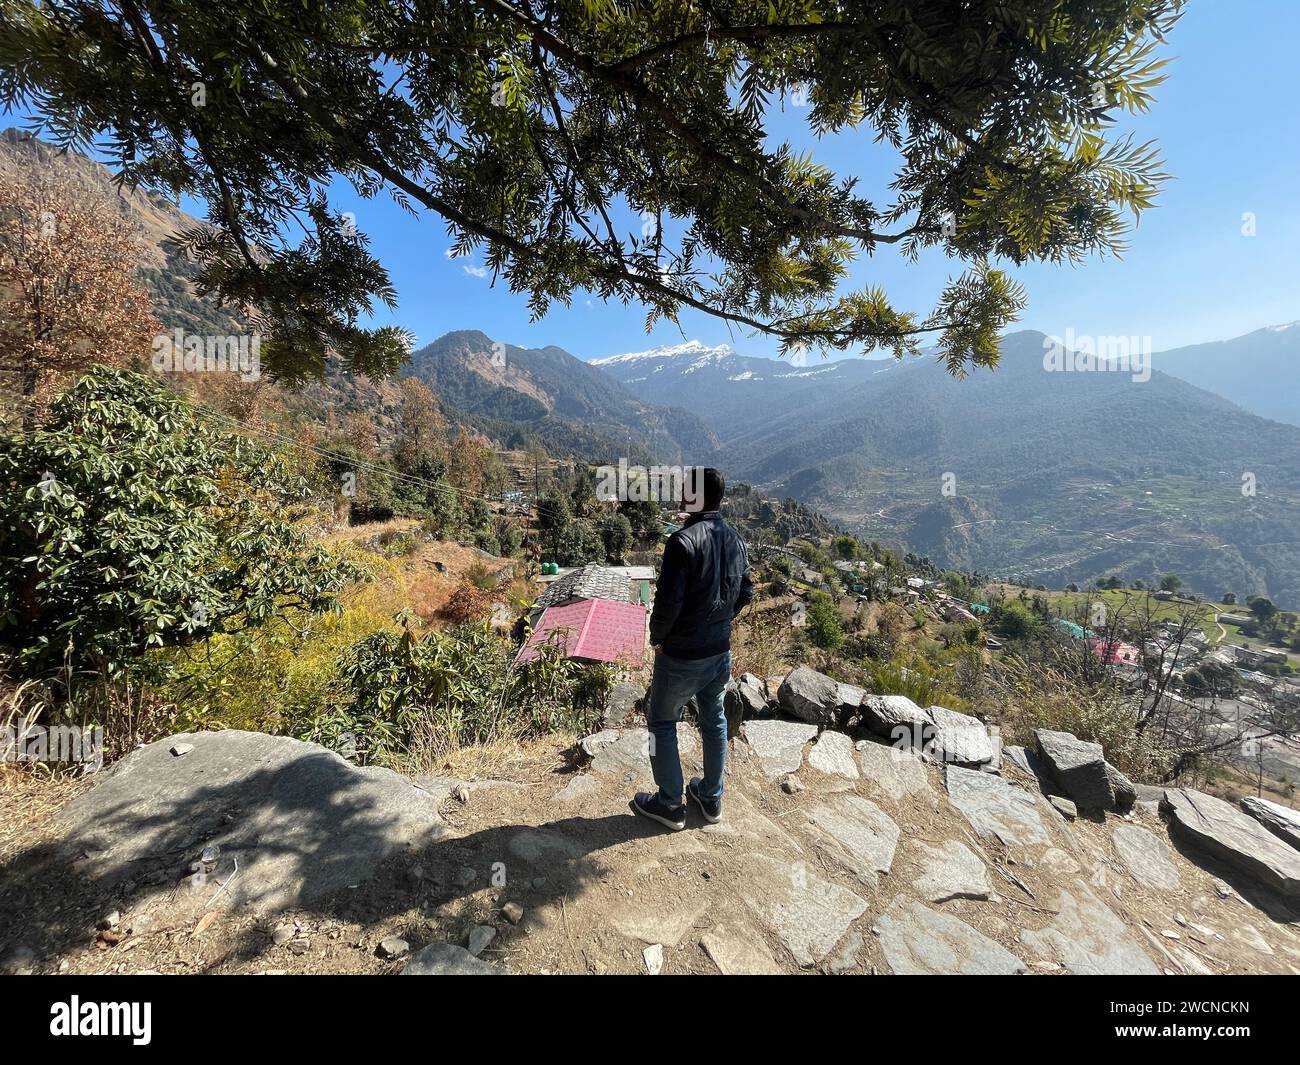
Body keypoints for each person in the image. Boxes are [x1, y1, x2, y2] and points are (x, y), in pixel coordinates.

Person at [631, 467, 752, 830]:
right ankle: (711, 797)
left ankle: (669, 803)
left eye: (686, 489)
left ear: (697, 496)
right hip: (720, 652)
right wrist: (720, 621)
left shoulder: (682, 543)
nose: (681, 493)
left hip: (682, 654)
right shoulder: (735, 539)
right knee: (714, 718)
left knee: (661, 723)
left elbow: (668, 605)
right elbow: (745, 593)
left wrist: (658, 639)